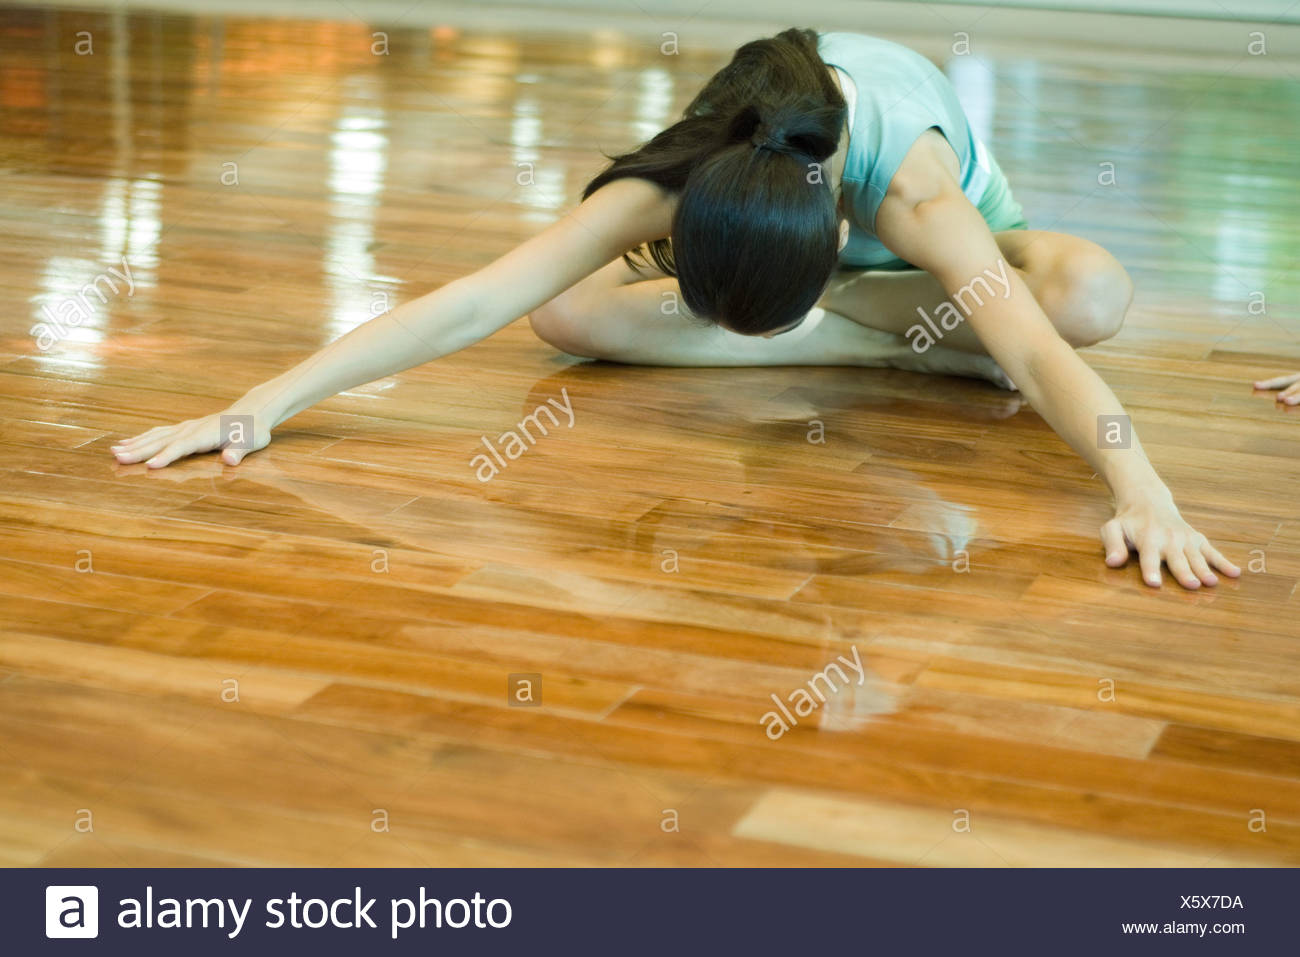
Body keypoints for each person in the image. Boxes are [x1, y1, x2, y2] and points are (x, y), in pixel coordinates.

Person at [111, 28, 1239, 590]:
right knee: (565, 320)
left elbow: (1045, 360)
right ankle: (912, 353)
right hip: (831, 288)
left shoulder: (914, 198)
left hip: (915, 277)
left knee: (1090, 296)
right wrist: (265, 402)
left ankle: (899, 339)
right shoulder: (684, 170)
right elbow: (482, 299)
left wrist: (1147, 496)